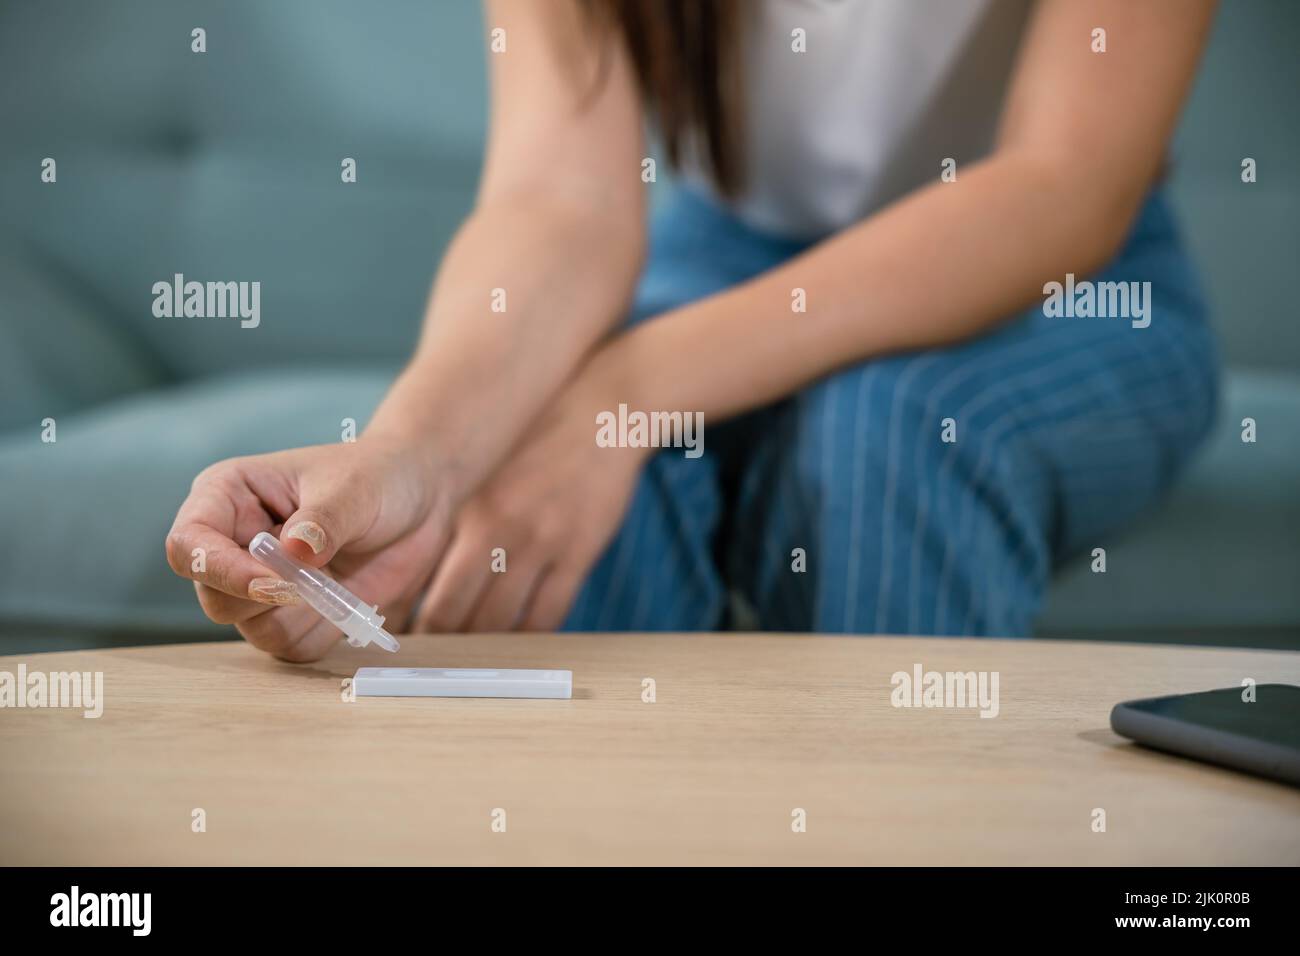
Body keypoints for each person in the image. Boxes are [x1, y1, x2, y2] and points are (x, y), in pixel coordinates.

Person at [165, 0, 1220, 661]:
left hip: (1061, 277)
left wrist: (622, 390)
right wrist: (413, 458)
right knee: (542, 455)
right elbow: (561, 196)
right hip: (722, 252)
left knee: (894, 432)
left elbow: (1064, 187)